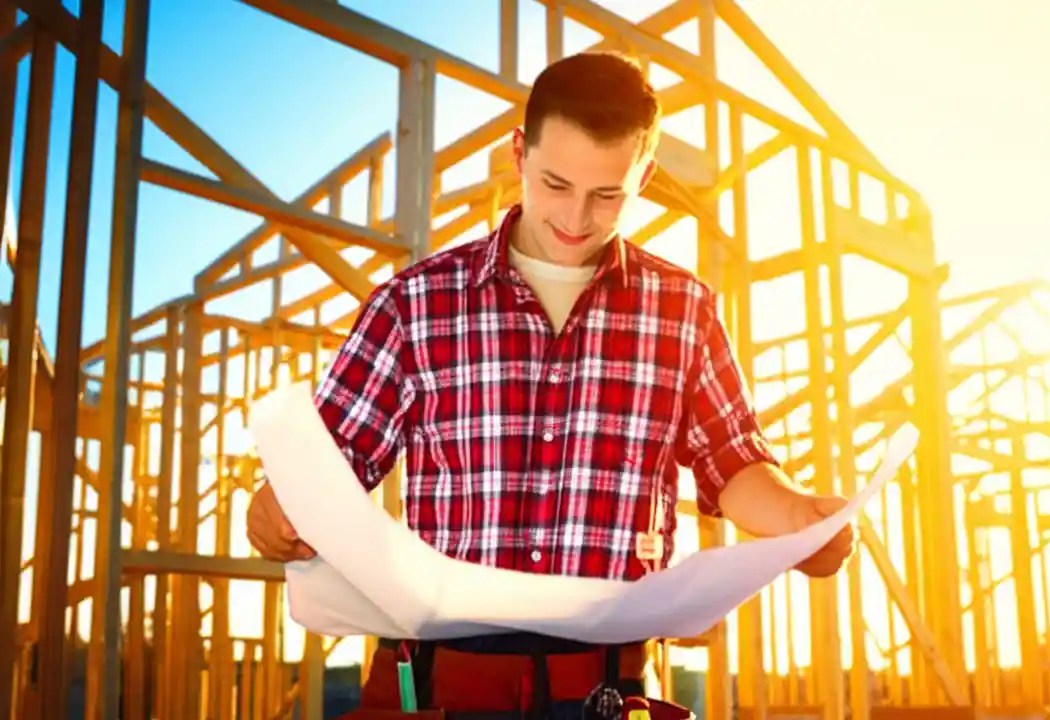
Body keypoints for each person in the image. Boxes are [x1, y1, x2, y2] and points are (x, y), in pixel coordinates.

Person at [246, 50, 853, 719]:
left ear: (644, 177)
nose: (575, 218)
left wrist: (798, 518)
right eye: (556, 184)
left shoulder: (684, 310)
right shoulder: (415, 304)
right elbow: (328, 464)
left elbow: (732, 461)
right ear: (518, 155)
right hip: (445, 683)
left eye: (607, 195)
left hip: (604, 691)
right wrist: (275, 508)